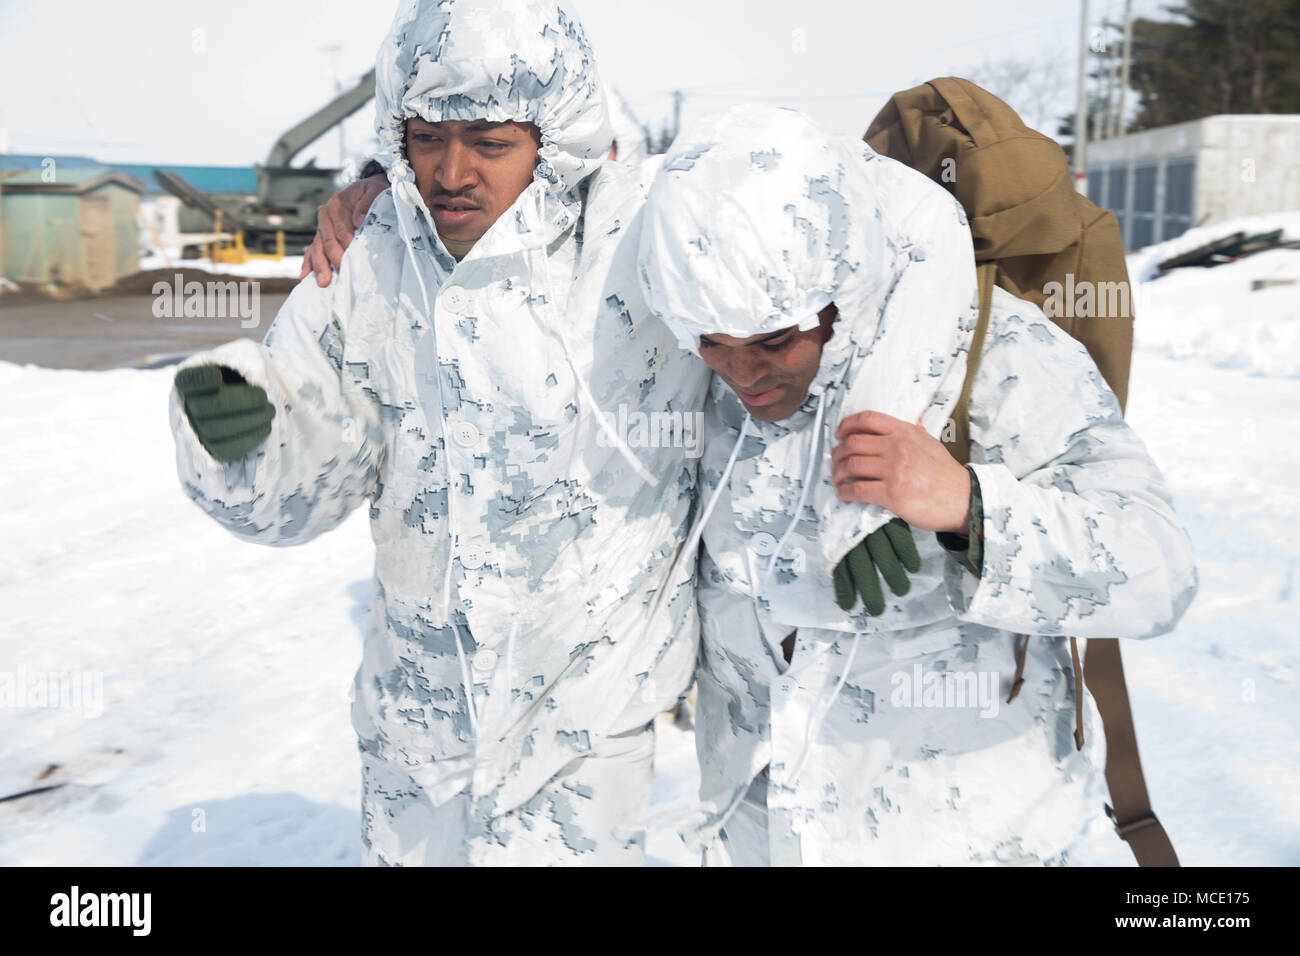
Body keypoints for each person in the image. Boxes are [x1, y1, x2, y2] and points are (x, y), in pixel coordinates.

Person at [168, 0, 710, 866]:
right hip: (417, 734)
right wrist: (244, 448)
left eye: (490, 142)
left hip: (582, 741)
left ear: (555, 137)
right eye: (426, 138)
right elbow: (307, 486)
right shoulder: (367, 262)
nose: (451, 171)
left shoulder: (648, 242)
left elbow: (816, 267)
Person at [634, 104, 1199, 866]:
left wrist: (972, 507)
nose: (742, 372)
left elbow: (1160, 571)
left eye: (773, 340)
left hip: (962, 837)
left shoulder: (997, 357)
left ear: (845, 289)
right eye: (712, 343)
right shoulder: (700, 368)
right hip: (763, 827)